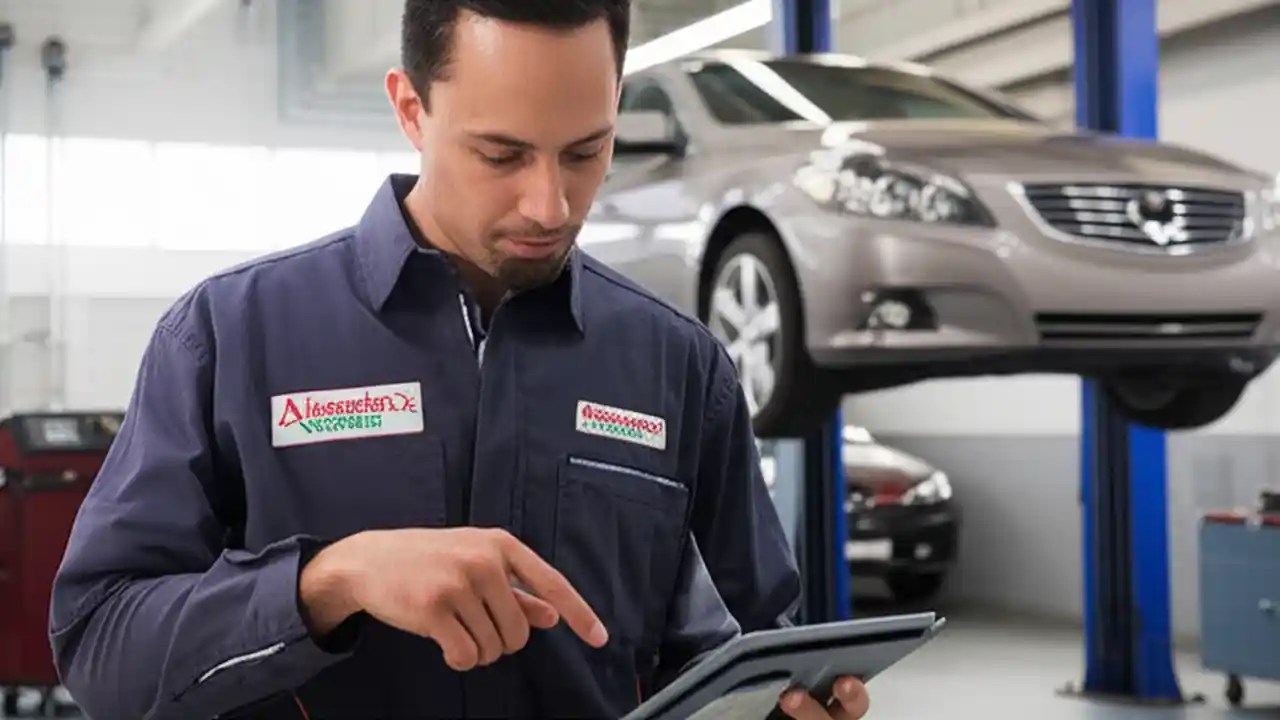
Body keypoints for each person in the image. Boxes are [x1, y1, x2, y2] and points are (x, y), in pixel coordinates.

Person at [48, 2, 872, 718]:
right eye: (502, 155)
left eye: (586, 152)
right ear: (411, 108)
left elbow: (751, 650)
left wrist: (784, 706)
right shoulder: (230, 338)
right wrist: (330, 582)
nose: (549, 205)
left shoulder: (680, 368)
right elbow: (102, 649)